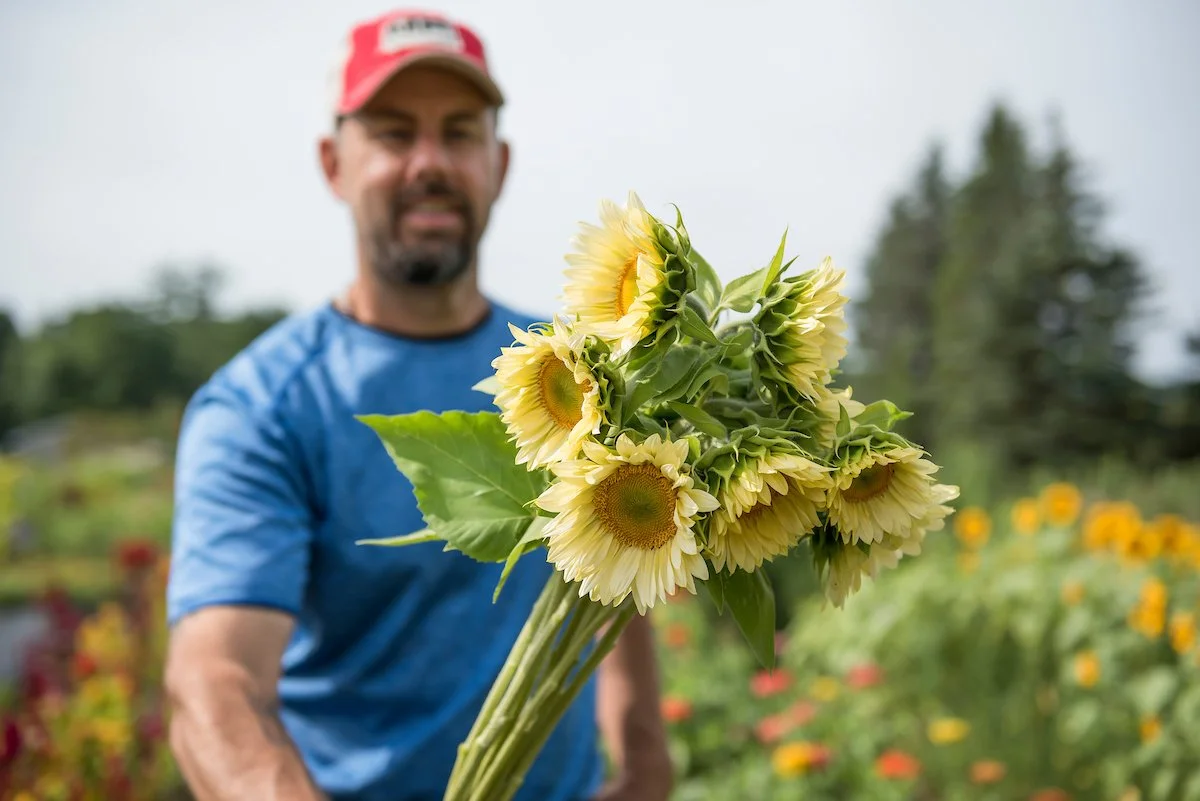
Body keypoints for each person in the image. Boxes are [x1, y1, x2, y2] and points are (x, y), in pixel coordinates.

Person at [162, 9, 674, 801]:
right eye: (395, 134)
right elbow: (215, 681)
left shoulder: (585, 372)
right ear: (334, 164)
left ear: (498, 163)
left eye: (460, 133)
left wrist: (644, 765)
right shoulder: (262, 407)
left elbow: (616, 575)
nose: (430, 163)